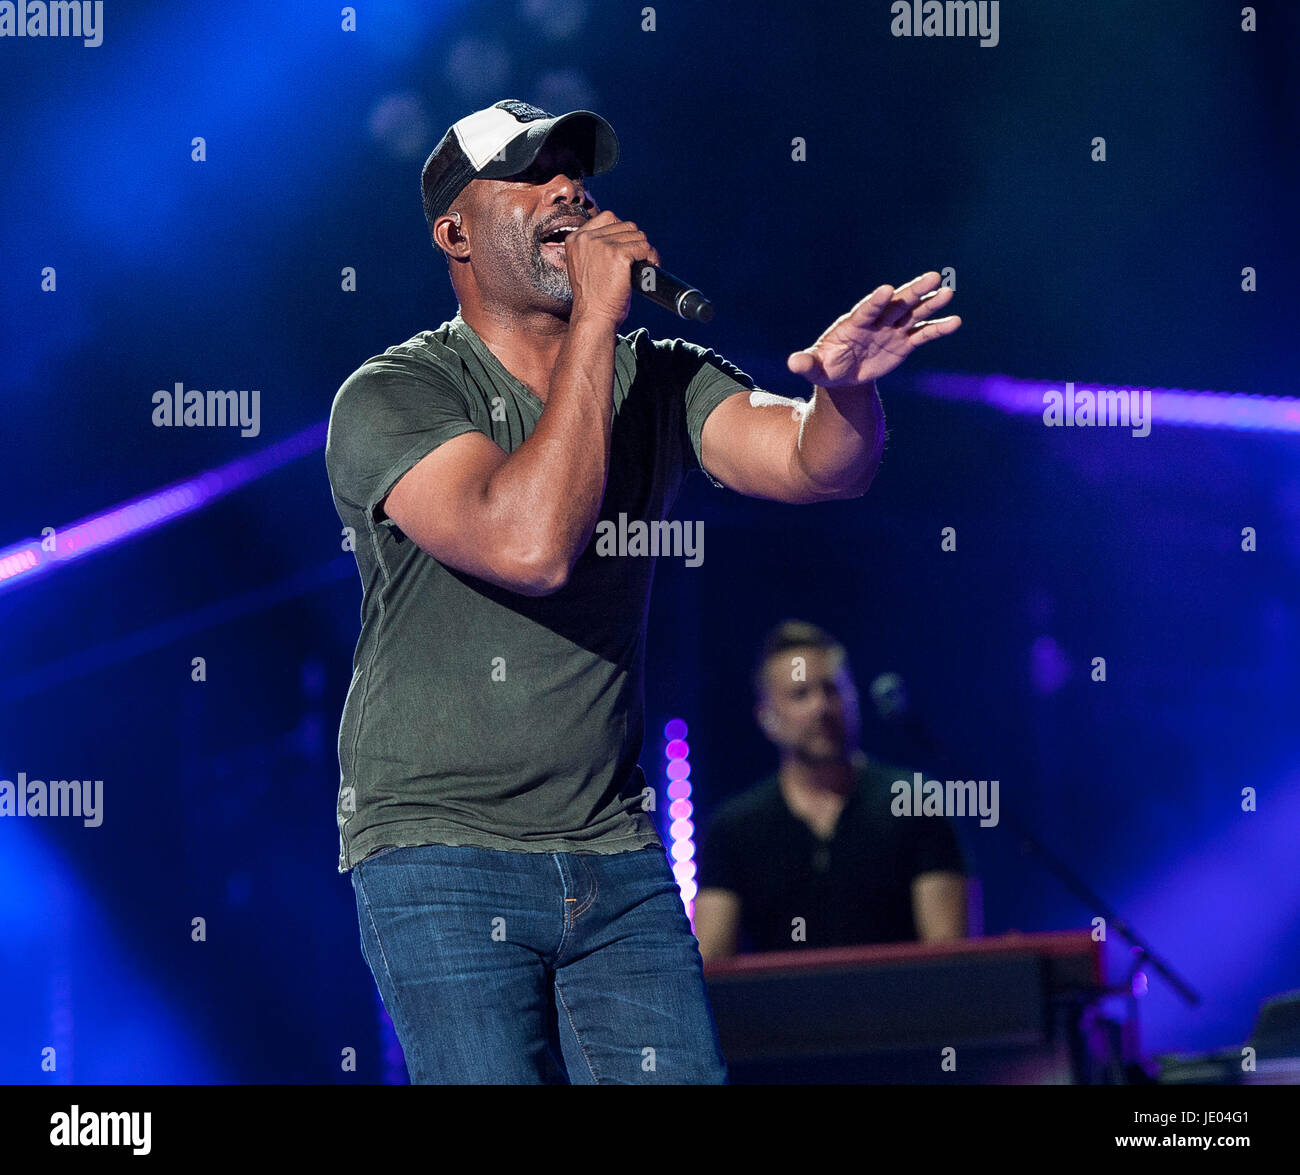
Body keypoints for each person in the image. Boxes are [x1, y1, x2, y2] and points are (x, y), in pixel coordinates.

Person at [324, 99, 961, 1084]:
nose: (569, 190)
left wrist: (846, 390)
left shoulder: (660, 377)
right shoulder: (396, 393)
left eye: (575, 173)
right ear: (453, 232)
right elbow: (531, 541)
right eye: (531, 177)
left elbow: (813, 465)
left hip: (613, 852)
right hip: (440, 851)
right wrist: (595, 325)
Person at [693, 621, 969, 960]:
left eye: (832, 690)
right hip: (780, 1013)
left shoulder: (915, 802)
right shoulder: (734, 828)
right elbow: (710, 966)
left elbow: (949, 958)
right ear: (767, 718)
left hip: (901, 1011)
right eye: (800, 694)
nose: (821, 707)